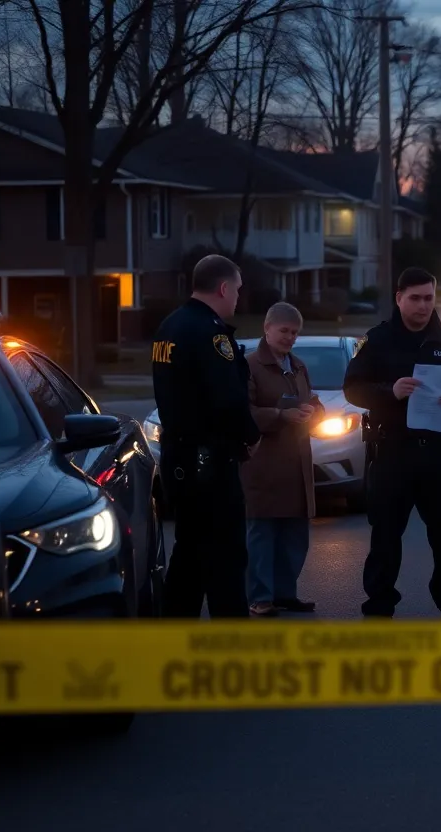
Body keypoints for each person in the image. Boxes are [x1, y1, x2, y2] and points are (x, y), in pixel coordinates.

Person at [342, 267, 441, 618]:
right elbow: (353, 388)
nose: (423, 306)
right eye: (415, 298)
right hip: (393, 453)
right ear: (399, 298)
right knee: (386, 537)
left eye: (428, 298)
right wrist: (389, 392)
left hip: (439, 454)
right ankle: (379, 604)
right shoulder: (378, 340)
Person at [151, 254, 260, 618]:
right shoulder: (211, 333)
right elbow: (228, 399)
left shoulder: (169, 326)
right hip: (210, 462)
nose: (238, 299)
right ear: (224, 287)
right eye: (237, 290)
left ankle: (175, 627)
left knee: (190, 551)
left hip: (178, 460)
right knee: (227, 556)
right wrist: (250, 435)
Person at [240, 301, 324, 617]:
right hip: (262, 465)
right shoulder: (249, 366)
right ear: (267, 328)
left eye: (294, 332)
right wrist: (281, 415)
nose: (289, 337)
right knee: (261, 536)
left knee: (294, 536)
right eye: (284, 331)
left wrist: (314, 412)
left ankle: (286, 594)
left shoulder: (299, 366)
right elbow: (243, 413)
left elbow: (313, 401)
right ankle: (260, 597)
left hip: (297, 465)